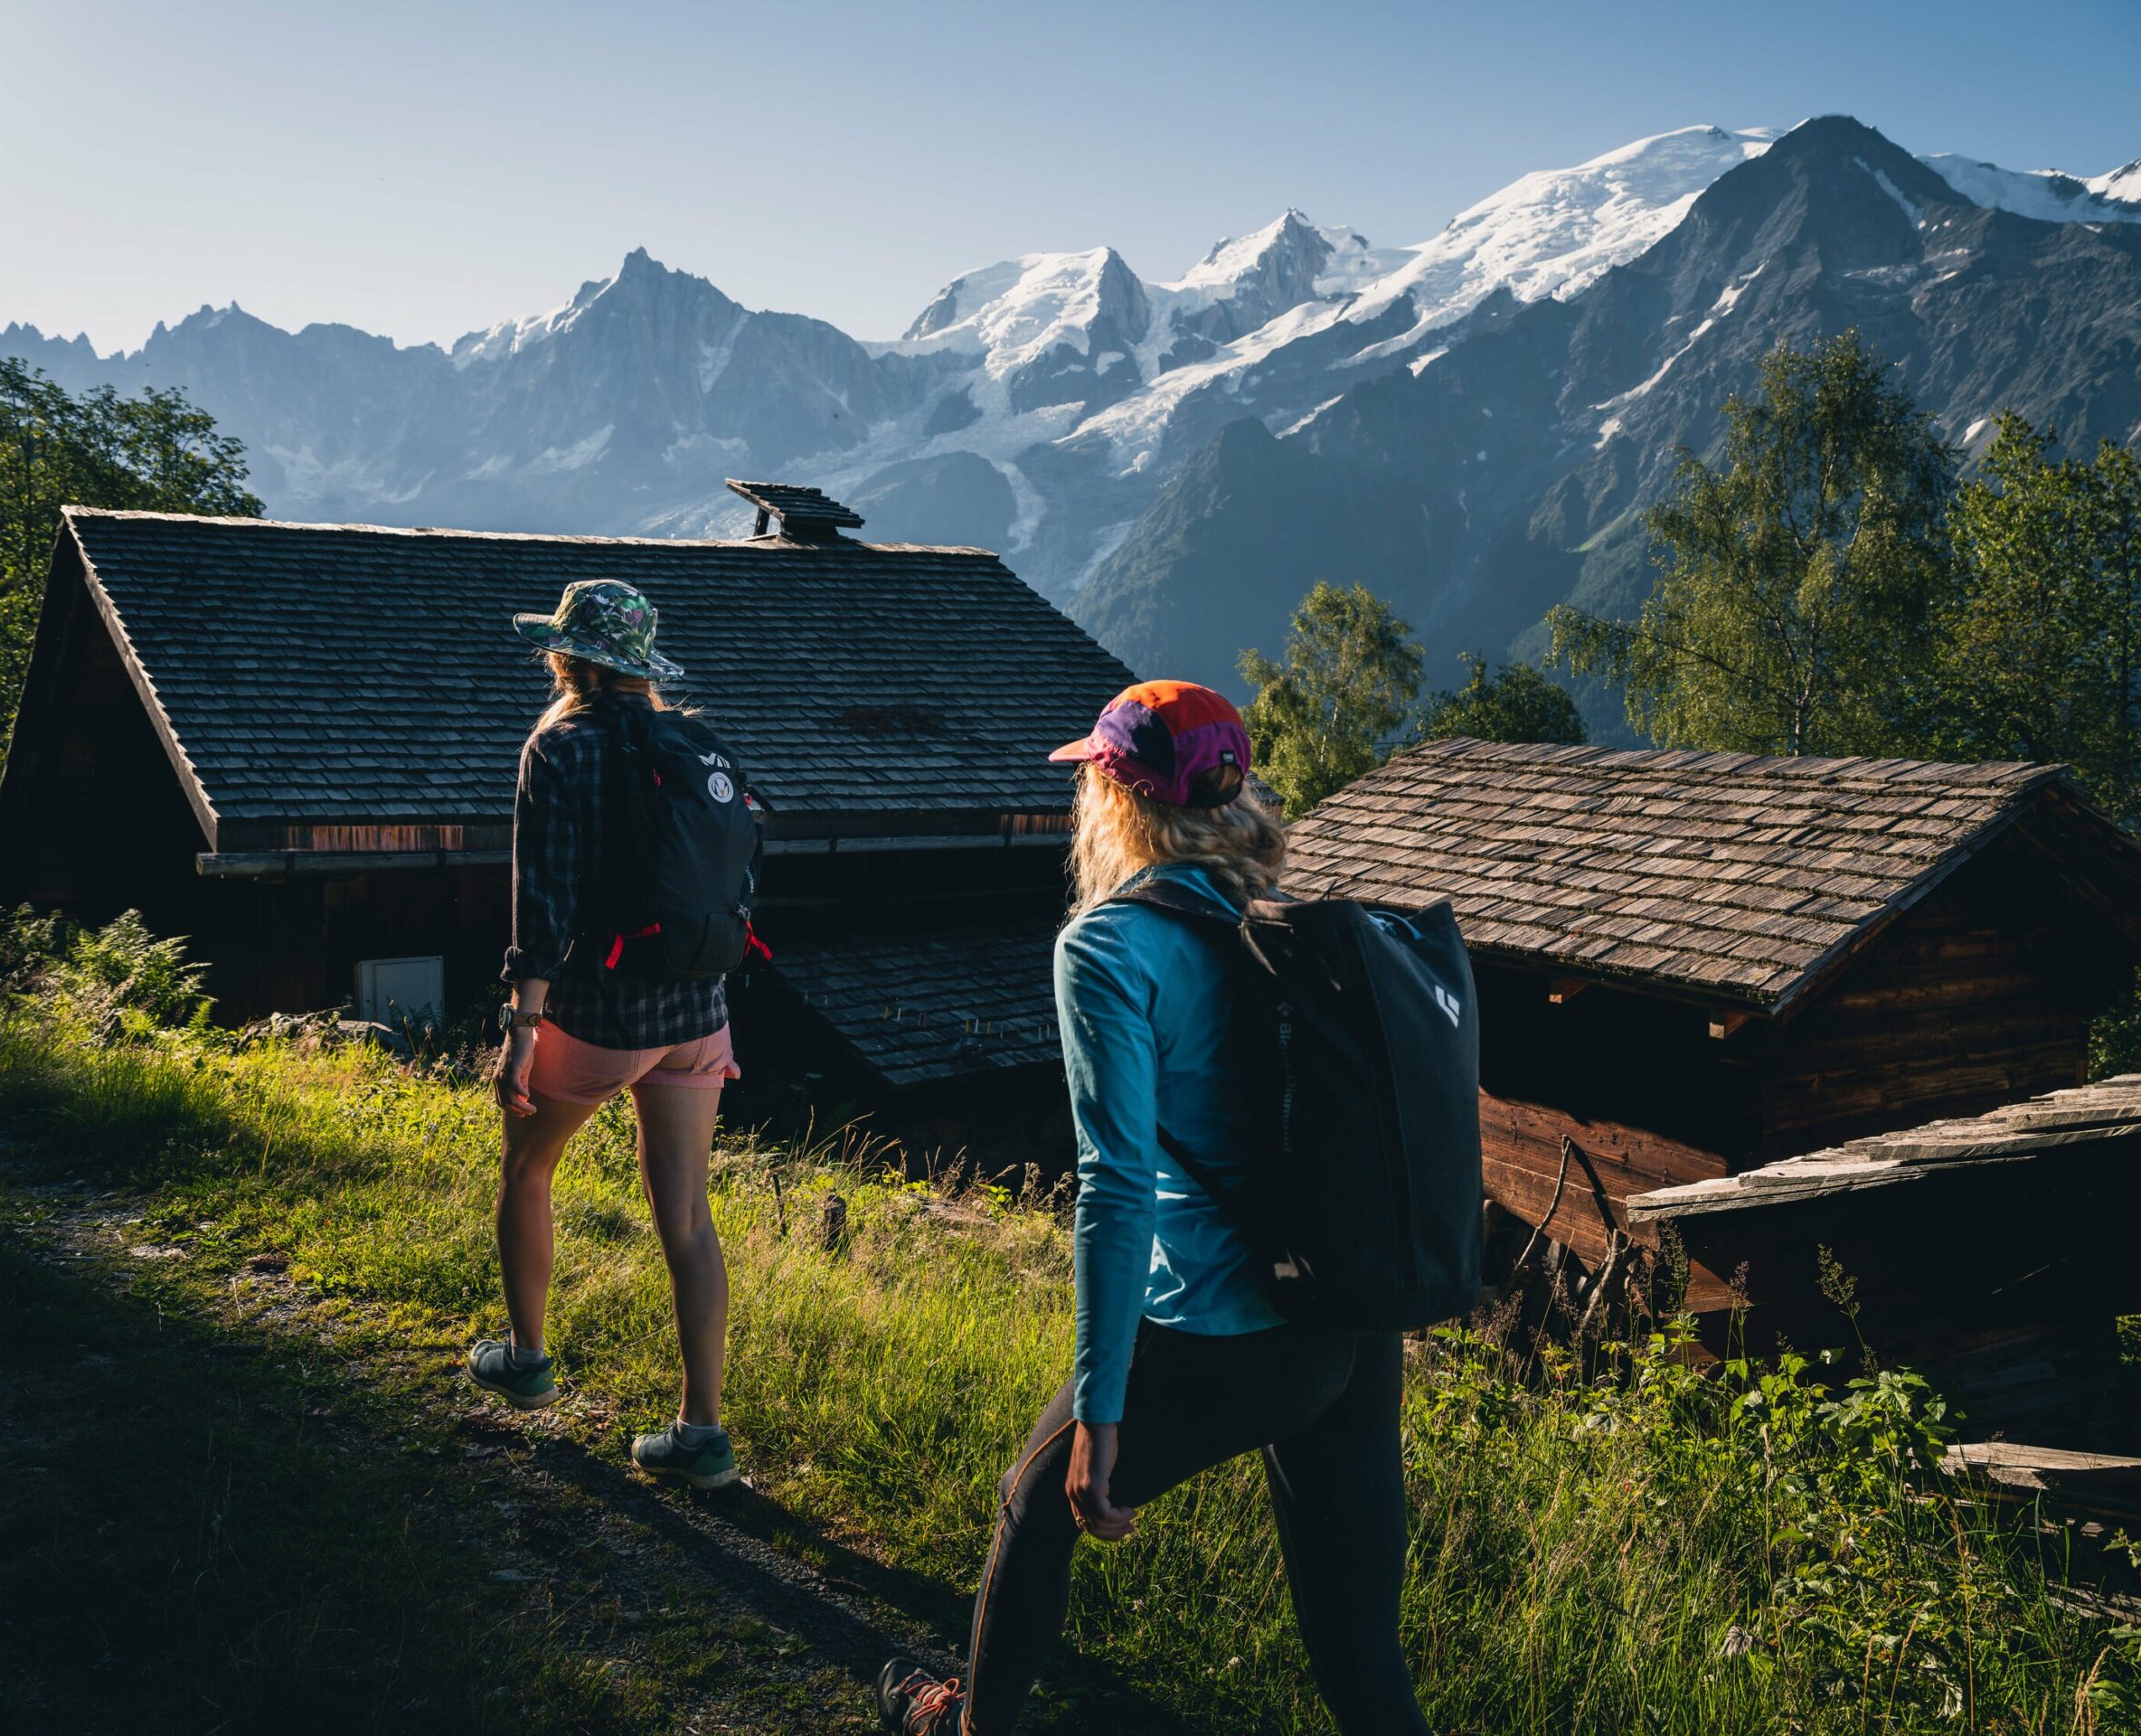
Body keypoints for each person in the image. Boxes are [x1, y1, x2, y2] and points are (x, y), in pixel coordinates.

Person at [878, 680, 1432, 1735]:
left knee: (1034, 1505)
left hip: (1233, 1329)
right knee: (1359, 1647)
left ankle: (965, 1727)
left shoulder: (1107, 946)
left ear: (1117, 799)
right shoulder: (1280, 923)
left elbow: (1116, 1186)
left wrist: (1101, 1409)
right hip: (1352, 1318)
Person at [465, 577, 742, 1490]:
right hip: (697, 1013)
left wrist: (522, 1024)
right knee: (688, 1216)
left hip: (595, 1014)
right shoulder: (692, 739)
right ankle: (701, 1435)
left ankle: (527, 1360)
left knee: (527, 1168)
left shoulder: (560, 746)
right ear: (639, 666)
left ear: (567, 655)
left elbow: (540, 900)